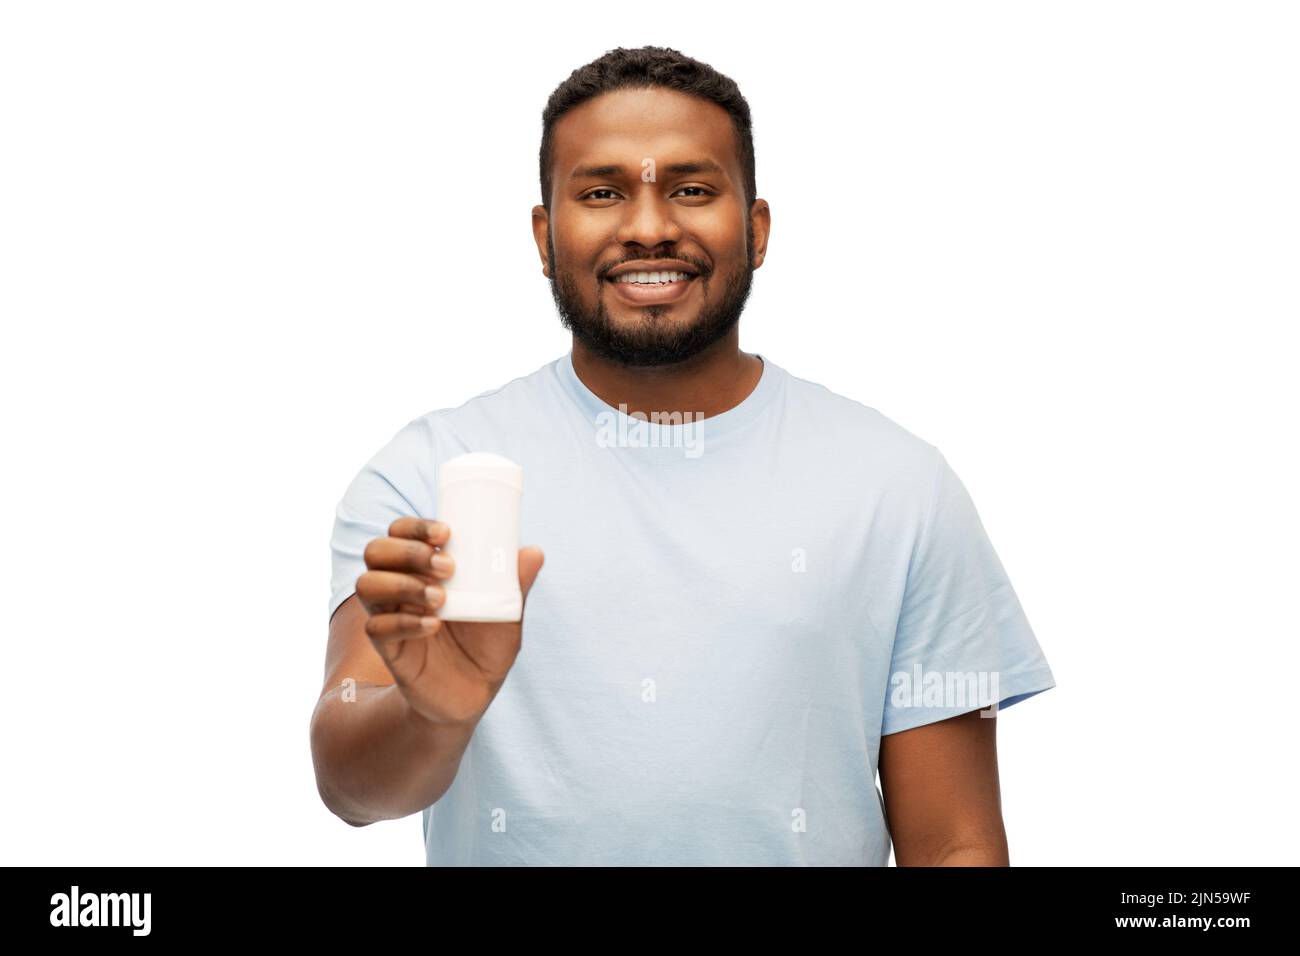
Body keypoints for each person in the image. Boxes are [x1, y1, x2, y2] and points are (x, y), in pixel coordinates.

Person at [310, 45, 1056, 866]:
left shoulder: (899, 487)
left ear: (757, 228)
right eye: (601, 193)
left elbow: (954, 842)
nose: (649, 226)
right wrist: (433, 718)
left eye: (692, 190)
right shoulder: (433, 474)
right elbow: (349, 787)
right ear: (544, 233)